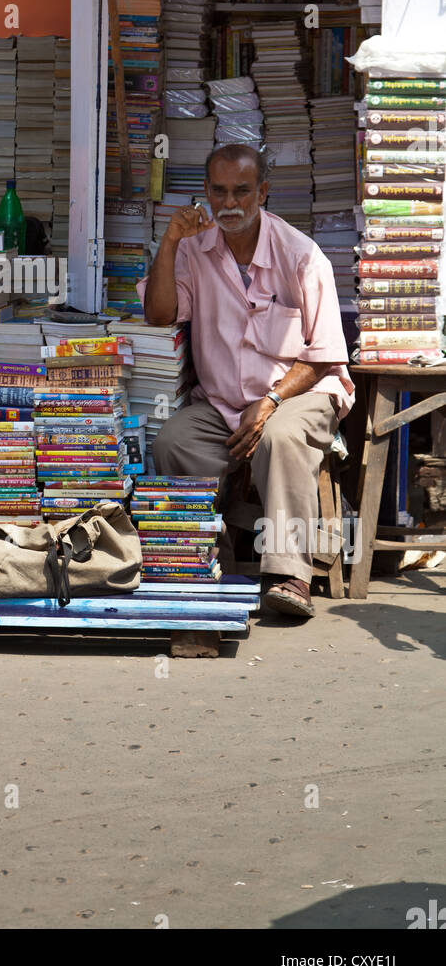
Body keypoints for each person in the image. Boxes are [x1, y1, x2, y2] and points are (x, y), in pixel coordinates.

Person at [143, 144, 354, 620]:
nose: (229, 203)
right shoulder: (195, 250)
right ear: (206, 193)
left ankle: (288, 573)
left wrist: (271, 401)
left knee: (279, 438)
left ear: (263, 192)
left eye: (242, 190)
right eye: (218, 191)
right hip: (222, 404)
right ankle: (200, 556)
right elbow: (158, 314)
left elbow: (322, 356)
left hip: (300, 393)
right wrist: (170, 242)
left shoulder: (301, 255)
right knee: (172, 440)